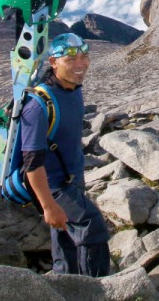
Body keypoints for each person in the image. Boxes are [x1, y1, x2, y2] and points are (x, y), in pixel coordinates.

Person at [20, 32, 111, 277]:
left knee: (65, 237)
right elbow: (32, 162)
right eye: (70, 59)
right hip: (54, 187)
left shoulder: (73, 88)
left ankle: (66, 284)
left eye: (84, 56)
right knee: (92, 228)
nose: (80, 64)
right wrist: (48, 205)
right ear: (53, 63)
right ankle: (99, 292)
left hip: (73, 177)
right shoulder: (38, 105)